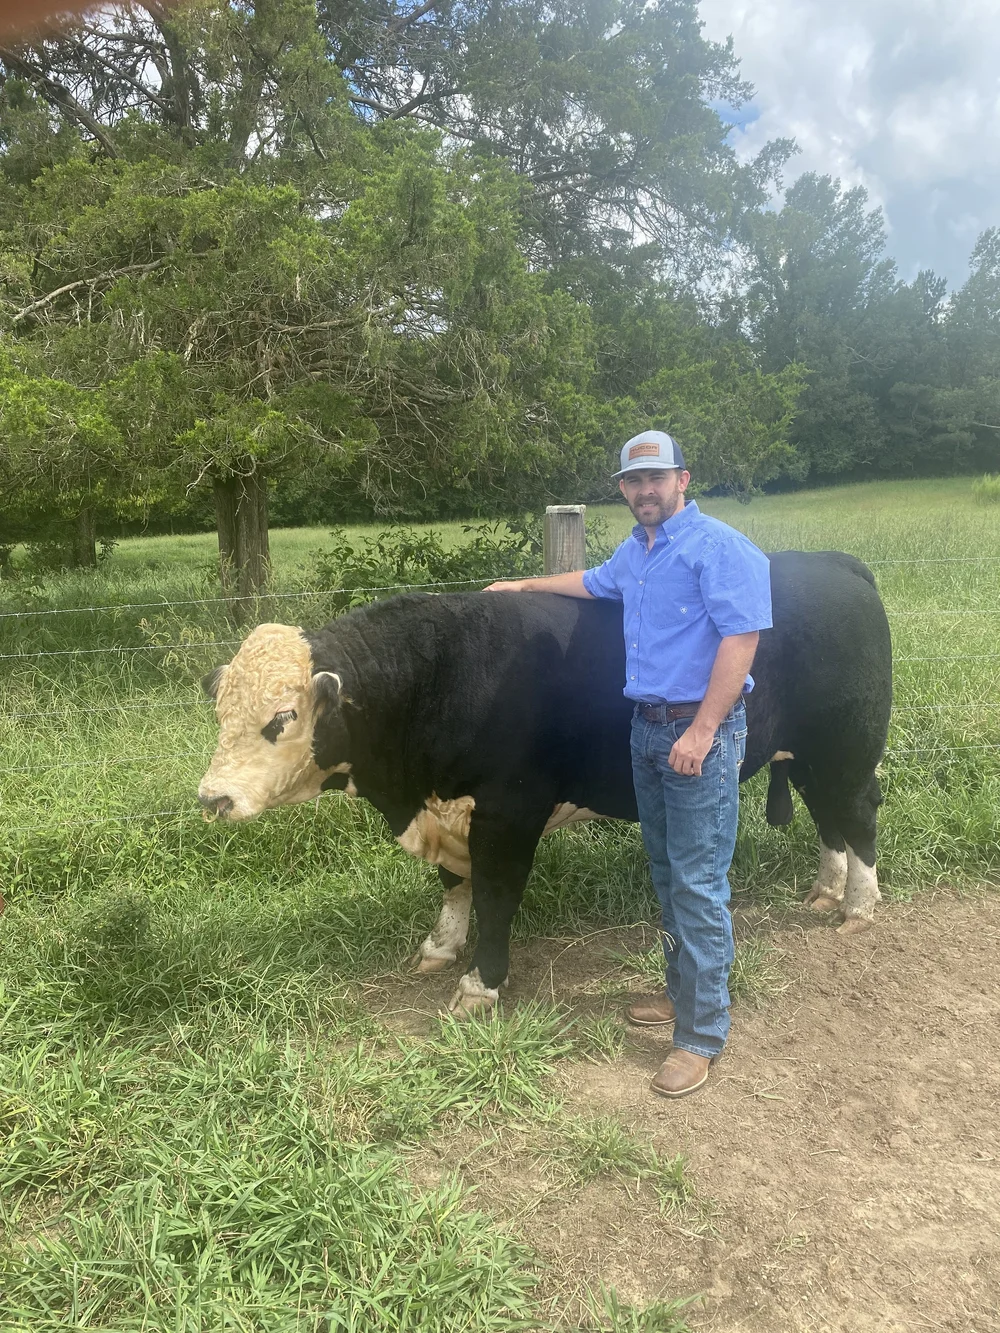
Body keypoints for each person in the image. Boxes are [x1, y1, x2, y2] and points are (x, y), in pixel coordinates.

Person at [484, 430, 772, 1098]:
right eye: (634, 482)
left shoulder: (719, 547)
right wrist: (526, 581)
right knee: (669, 874)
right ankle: (680, 996)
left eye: (657, 478)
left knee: (699, 883)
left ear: (683, 479)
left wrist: (702, 730)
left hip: (697, 734)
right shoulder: (636, 552)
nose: (646, 490)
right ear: (623, 488)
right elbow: (590, 581)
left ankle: (701, 1034)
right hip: (645, 731)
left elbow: (743, 637)